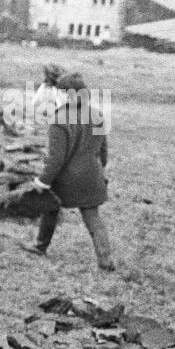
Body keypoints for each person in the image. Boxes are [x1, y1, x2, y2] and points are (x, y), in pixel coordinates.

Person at [21, 64, 115, 271]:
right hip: (91, 176)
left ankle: (40, 245)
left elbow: (55, 159)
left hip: (65, 179)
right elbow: (104, 152)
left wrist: (43, 181)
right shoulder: (97, 115)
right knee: (93, 219)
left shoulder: (59, 119)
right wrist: (99, 170)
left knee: (50, 207)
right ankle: (106, 260)